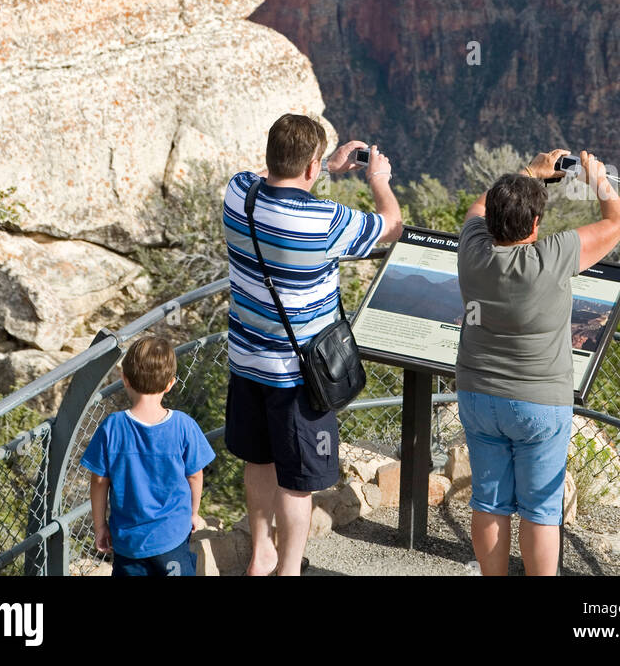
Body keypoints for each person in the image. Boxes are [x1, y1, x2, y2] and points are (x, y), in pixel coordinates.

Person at [223, 113, 403, 576]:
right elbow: (391, 225)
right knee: (298, 482)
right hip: (299, 376)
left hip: (246, 361)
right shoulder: (323, 221)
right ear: (311, 166)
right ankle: (287, 569)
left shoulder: (237, 194)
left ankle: (260, 553)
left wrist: (322, 165)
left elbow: (267, 175)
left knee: (259, 461)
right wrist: (376, 178)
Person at [456, 147, 620, 577]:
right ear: (536, 224)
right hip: (539, 403)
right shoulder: (550, 257)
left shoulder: (472, 249)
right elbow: (617, 223)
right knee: (540, 510)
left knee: (488, 502)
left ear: (491, 221)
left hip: (478, 395)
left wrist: (529, 172)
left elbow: (477, 207)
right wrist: (597, 178)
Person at [81, 334, 215, 577]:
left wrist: (100, 525)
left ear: (125, 379)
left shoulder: (112, 427)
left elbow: (99, 481)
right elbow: (195, 476)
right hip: (172, 536)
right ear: (170, 383)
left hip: (128, 541)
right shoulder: (184, 426)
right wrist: (193, 513)